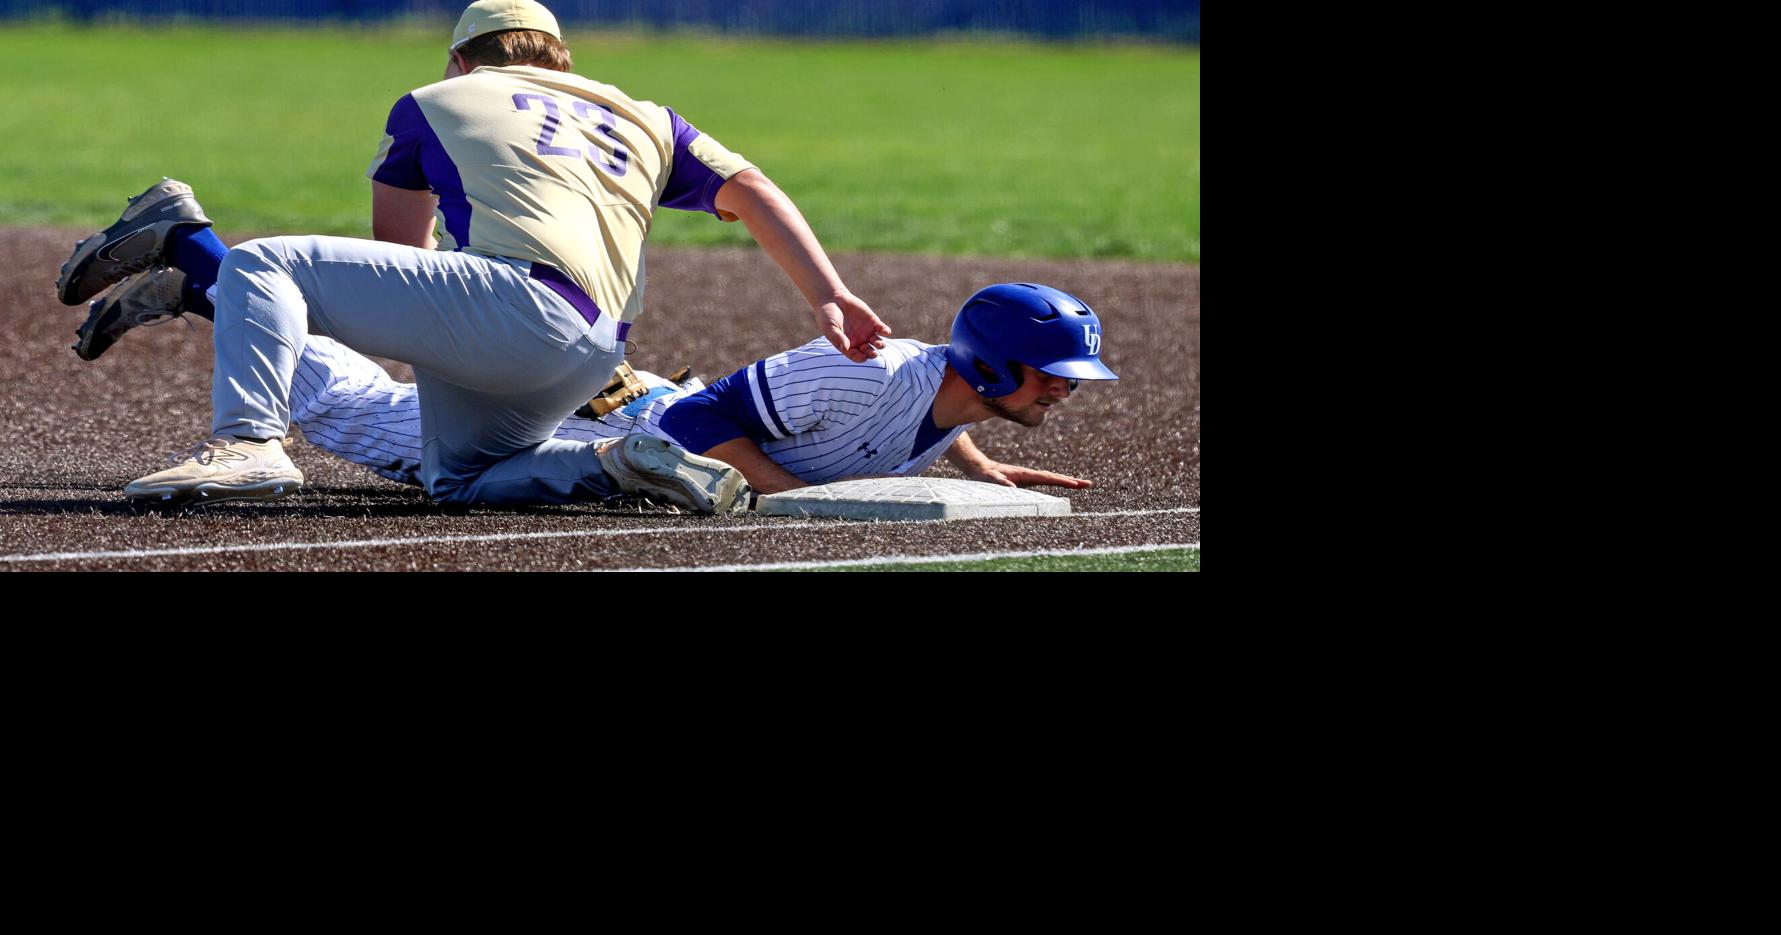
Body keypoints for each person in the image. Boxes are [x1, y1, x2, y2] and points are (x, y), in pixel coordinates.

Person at [54, 0, 890, 512]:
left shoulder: (437, 98)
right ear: (563, 60)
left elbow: (400, 254)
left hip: (509, 309)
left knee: (267, 264)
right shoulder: (644, 116)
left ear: (460, 59)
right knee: (461, 477)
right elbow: (751, 189)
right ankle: (619, 460)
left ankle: (245, 438)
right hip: (596, 350)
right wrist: (829, 295)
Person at [75, 267, 1114, 501]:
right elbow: (702, 418)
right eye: (1053, 373)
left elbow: (917, 422)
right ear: (989, 363)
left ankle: (214, 285)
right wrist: (786, 496)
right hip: (600, 416)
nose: (1065, 390)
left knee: (379, 410)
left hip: (624, 411)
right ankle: (208, 268)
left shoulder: (948, 393)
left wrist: (978, 461)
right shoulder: (863, 369)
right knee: (362, 419)